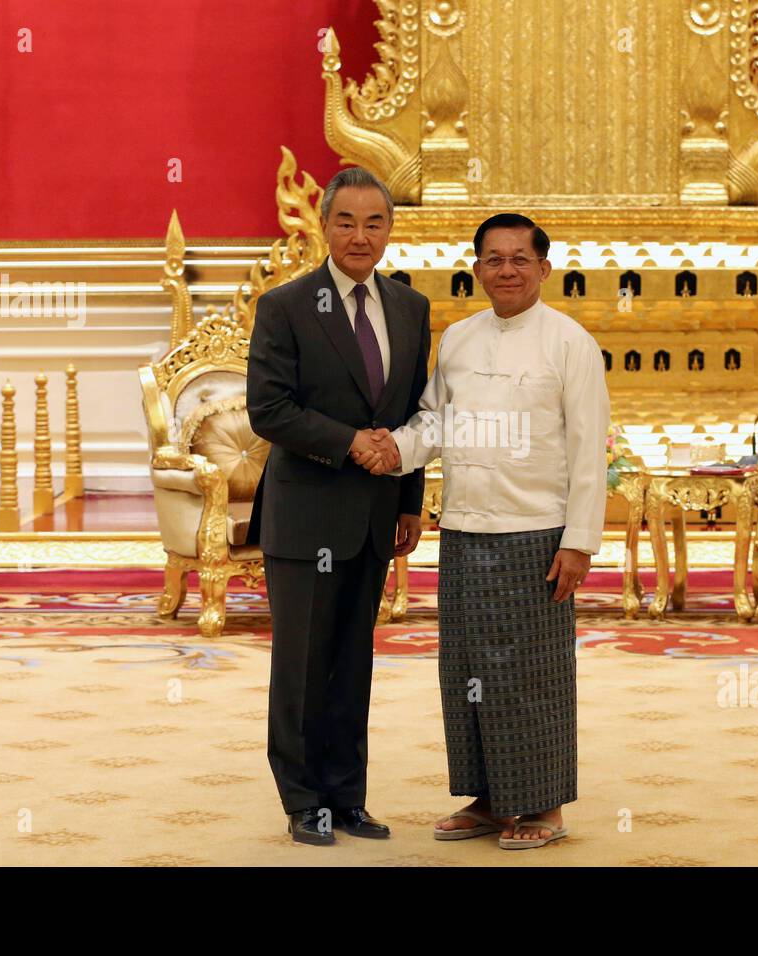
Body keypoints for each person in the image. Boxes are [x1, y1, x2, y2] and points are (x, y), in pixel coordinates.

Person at [353, 213, 609, 849]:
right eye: (494, 259)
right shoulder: (461, 340)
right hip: (466, 530)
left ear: (545, 268)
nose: (508, 271)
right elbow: (434, 424)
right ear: (477, 270)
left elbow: (587, 451)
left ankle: (544, 808)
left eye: (521, 259)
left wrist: (579, 540)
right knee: (467, 671)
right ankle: (490, 799)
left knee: (532, 674)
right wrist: (394, 450)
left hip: (537, 534)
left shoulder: (570, 343)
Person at [245, 167, 428, 845]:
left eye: (374, 222)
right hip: (306, 516)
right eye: (346, 221)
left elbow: (411, 414)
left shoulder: (410, 308)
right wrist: (350, 442)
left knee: (354, 663)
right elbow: (269, 409)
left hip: (377, 518)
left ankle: (348, 796)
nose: (360, 235)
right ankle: (303, 801)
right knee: (301, 665)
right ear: (322, 226)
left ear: (389, 230)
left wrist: (410, 497)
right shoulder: (286, 305)